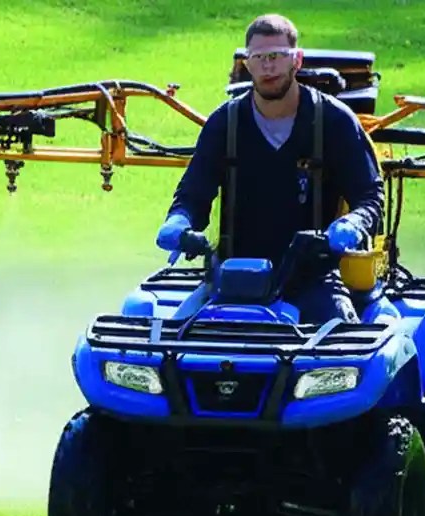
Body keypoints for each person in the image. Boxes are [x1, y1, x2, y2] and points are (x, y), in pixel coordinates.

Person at [156, 13, 384, 324]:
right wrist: (179, 221)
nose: (268, 66)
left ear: (297, 60)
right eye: (259, 58)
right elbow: (193, 193)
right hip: (232, 279)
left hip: (312, 280)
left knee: (347, 351)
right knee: (171, 342)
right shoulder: (224, 123)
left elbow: (370, 195)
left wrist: (355, 224)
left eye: (277, 56)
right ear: (247, 65)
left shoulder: (334, 121)